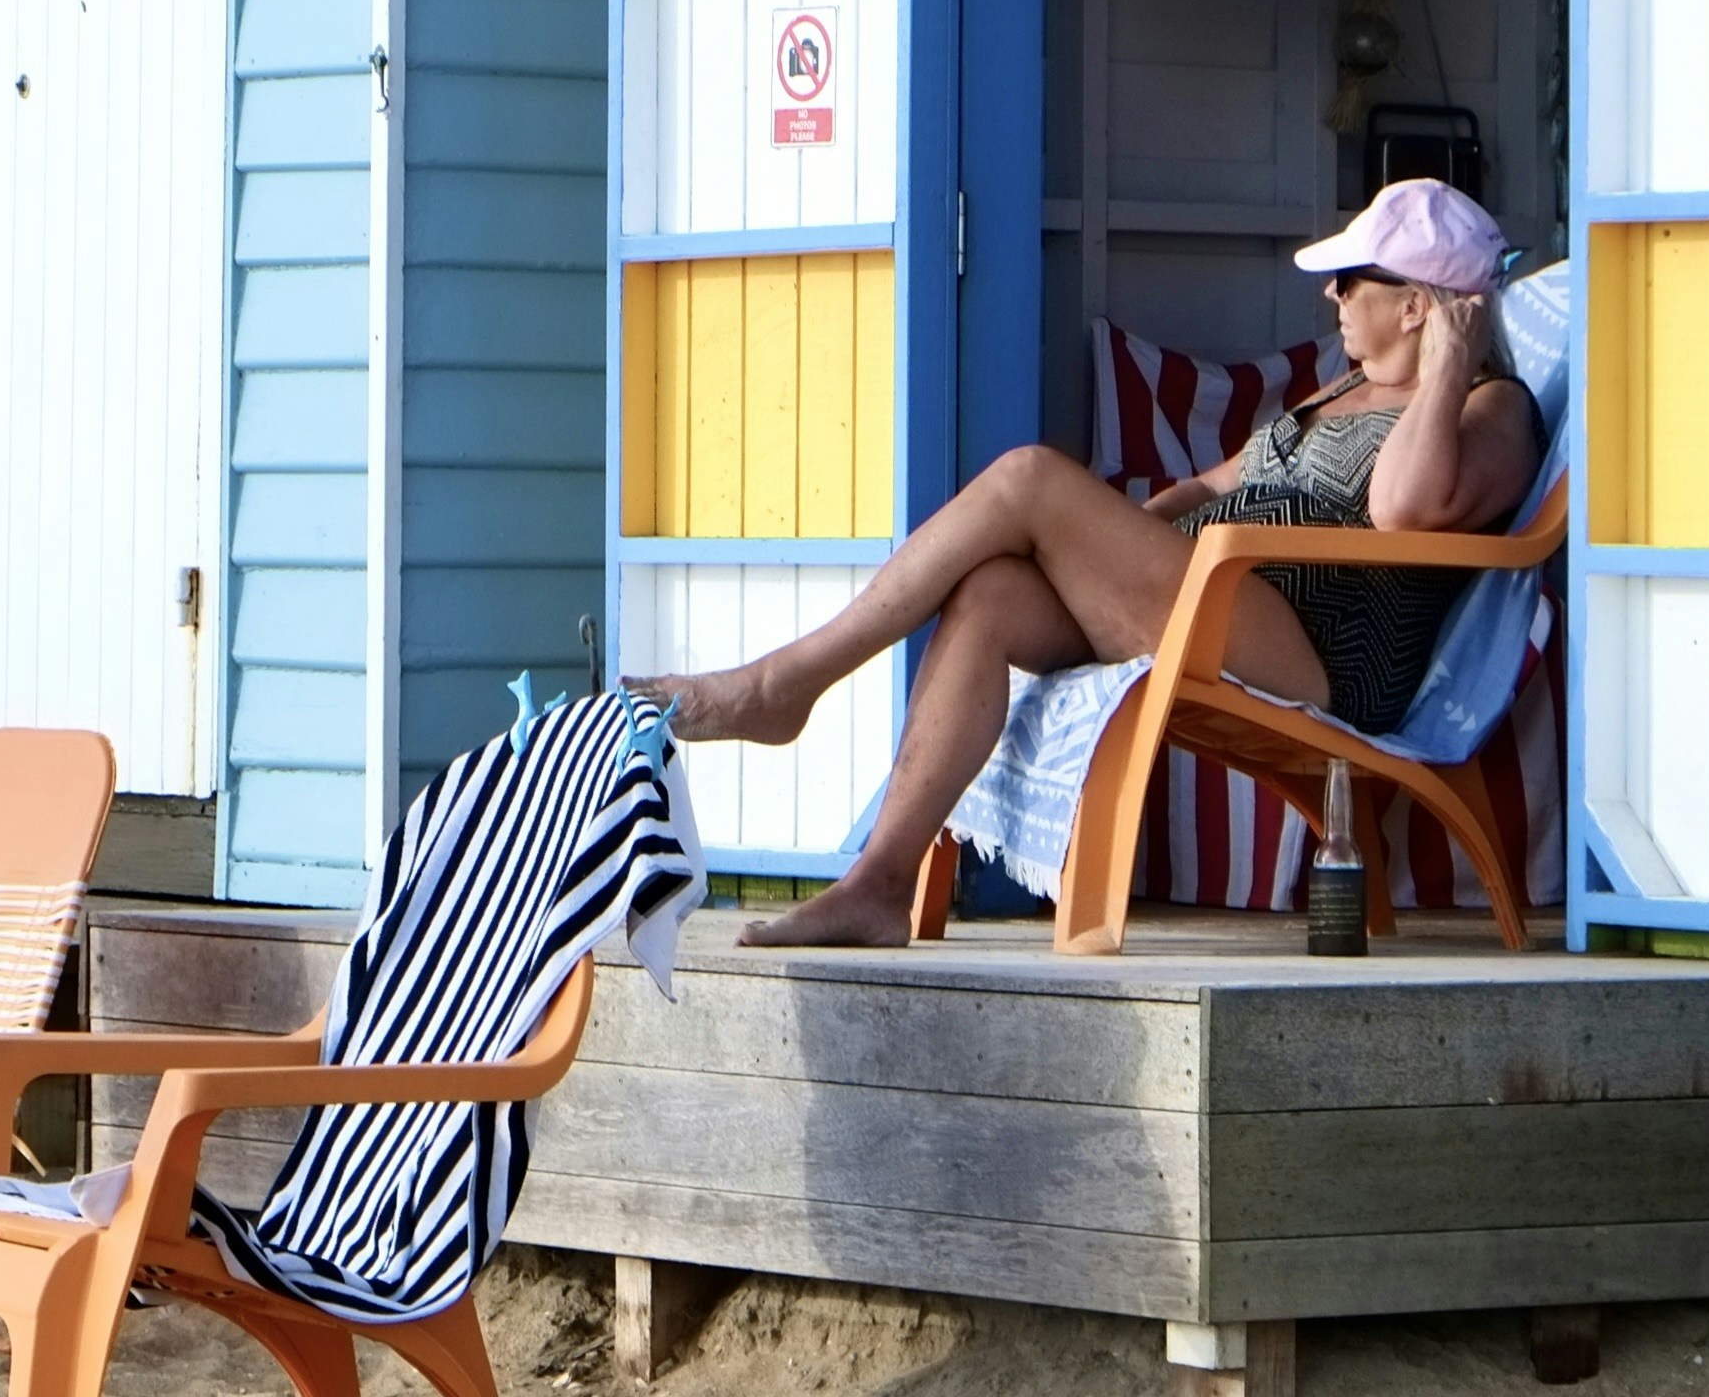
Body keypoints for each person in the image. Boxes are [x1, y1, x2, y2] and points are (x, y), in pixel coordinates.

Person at [626, 177, 1537, 948]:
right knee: (992, 591)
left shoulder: (1493, 413)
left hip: (1314, 649)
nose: (1331, 298)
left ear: (1417, 304)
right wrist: (1121, 535)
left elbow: (1401, 508)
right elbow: (1219, 479)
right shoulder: (1344, 387)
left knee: (1027, 475)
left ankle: (783, 685)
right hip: (1218, 589)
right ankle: (878, 881)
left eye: (1349, 281)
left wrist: (1451, 361)